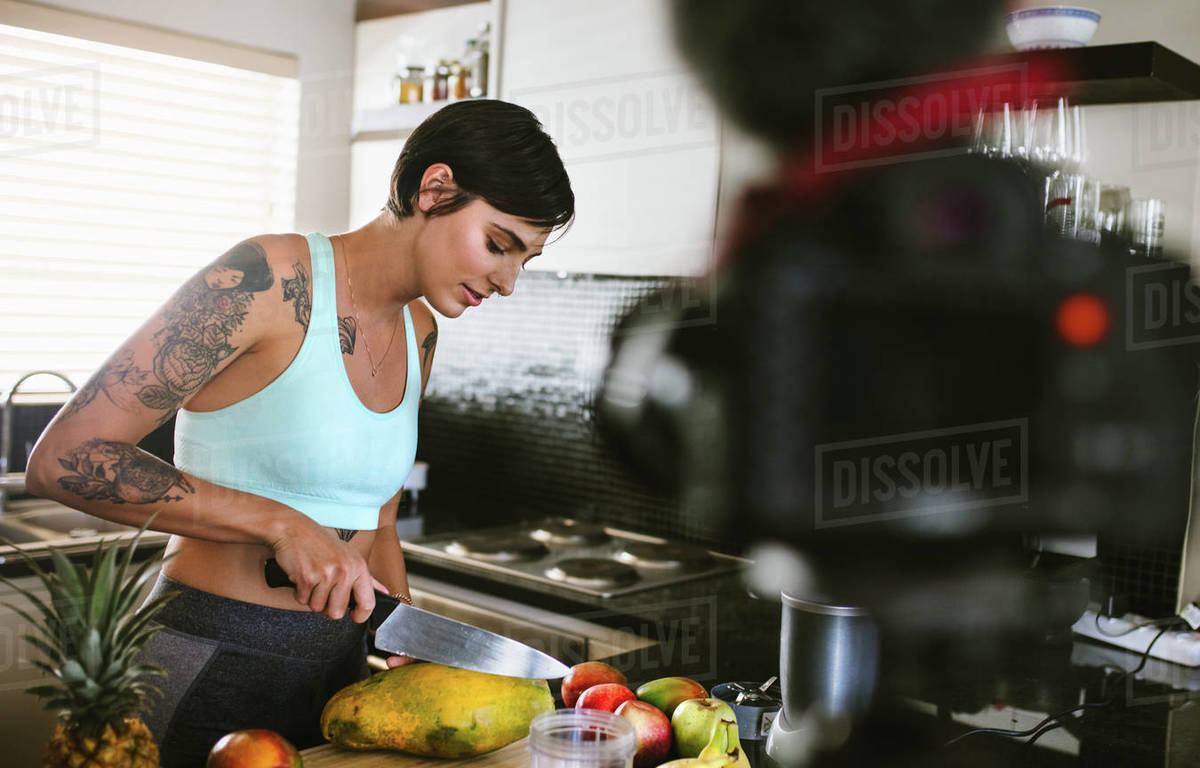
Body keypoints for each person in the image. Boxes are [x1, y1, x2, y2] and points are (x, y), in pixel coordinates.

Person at [25, 99, 574, 767]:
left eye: (526, 259)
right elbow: (65, 456)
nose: (510, 282)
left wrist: (405, 647)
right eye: (498, 244)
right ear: (435, 190)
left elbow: (379, 520)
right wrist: (280, 523)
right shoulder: (269, 278)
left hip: (341, 675)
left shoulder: (420, 333)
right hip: (210, 658)